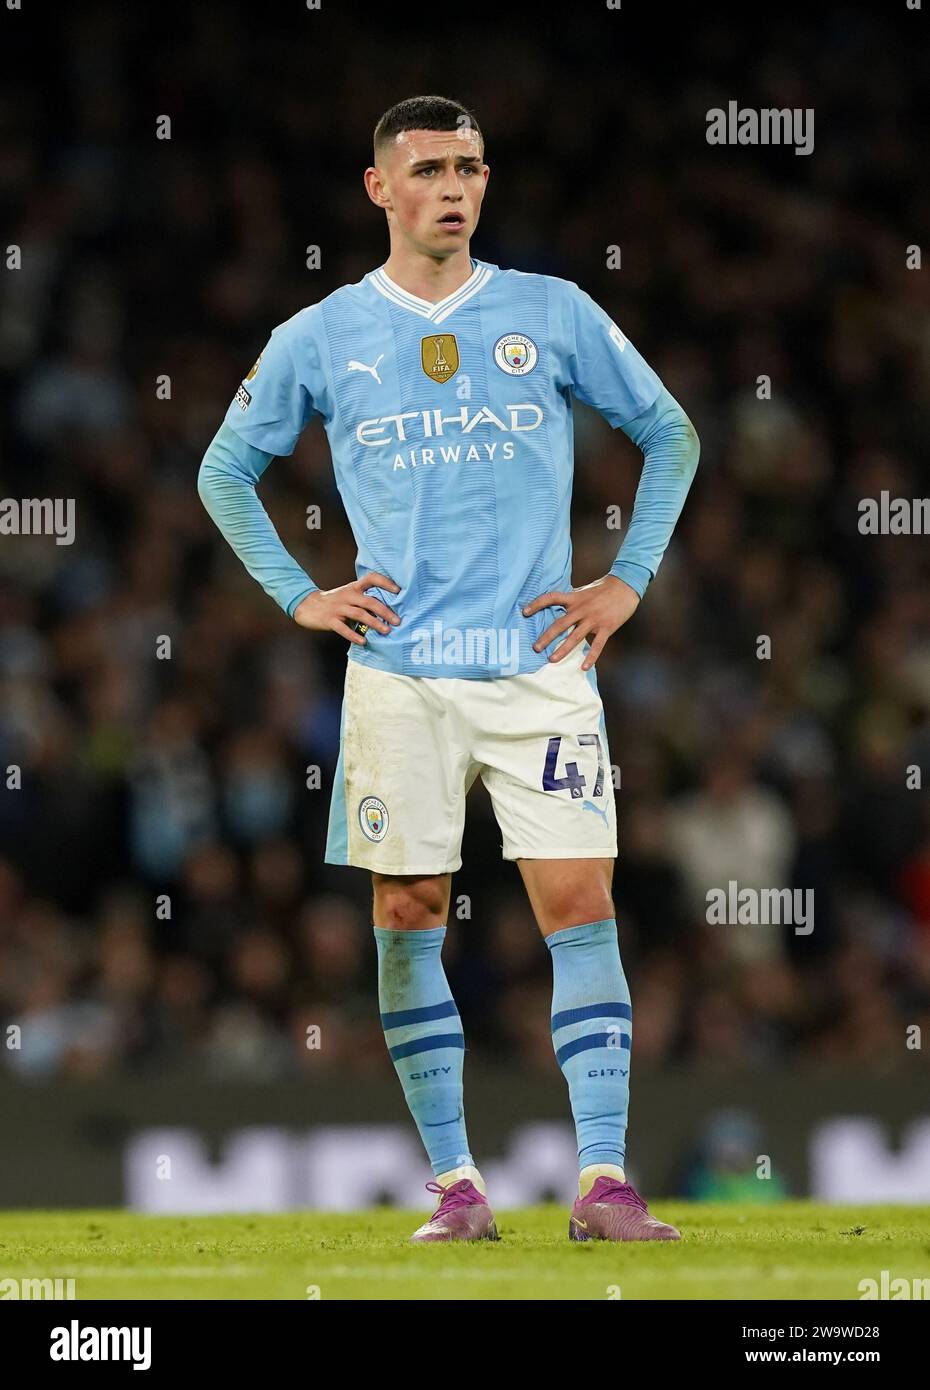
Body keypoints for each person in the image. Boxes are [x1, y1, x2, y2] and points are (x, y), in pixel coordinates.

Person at [198, 94, 700, 1243]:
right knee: (408, 910)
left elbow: (672, 431)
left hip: (539, 666)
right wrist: (301, 594)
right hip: (400, 673)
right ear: (381, 188)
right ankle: (457, 1189)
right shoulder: (320, 334)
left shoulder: (552, 312)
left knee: (580, 904)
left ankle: (606, 1184)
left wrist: (625, 581)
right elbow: (225, 469)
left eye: (471, 165)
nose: (456, 186)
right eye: (430, 167)